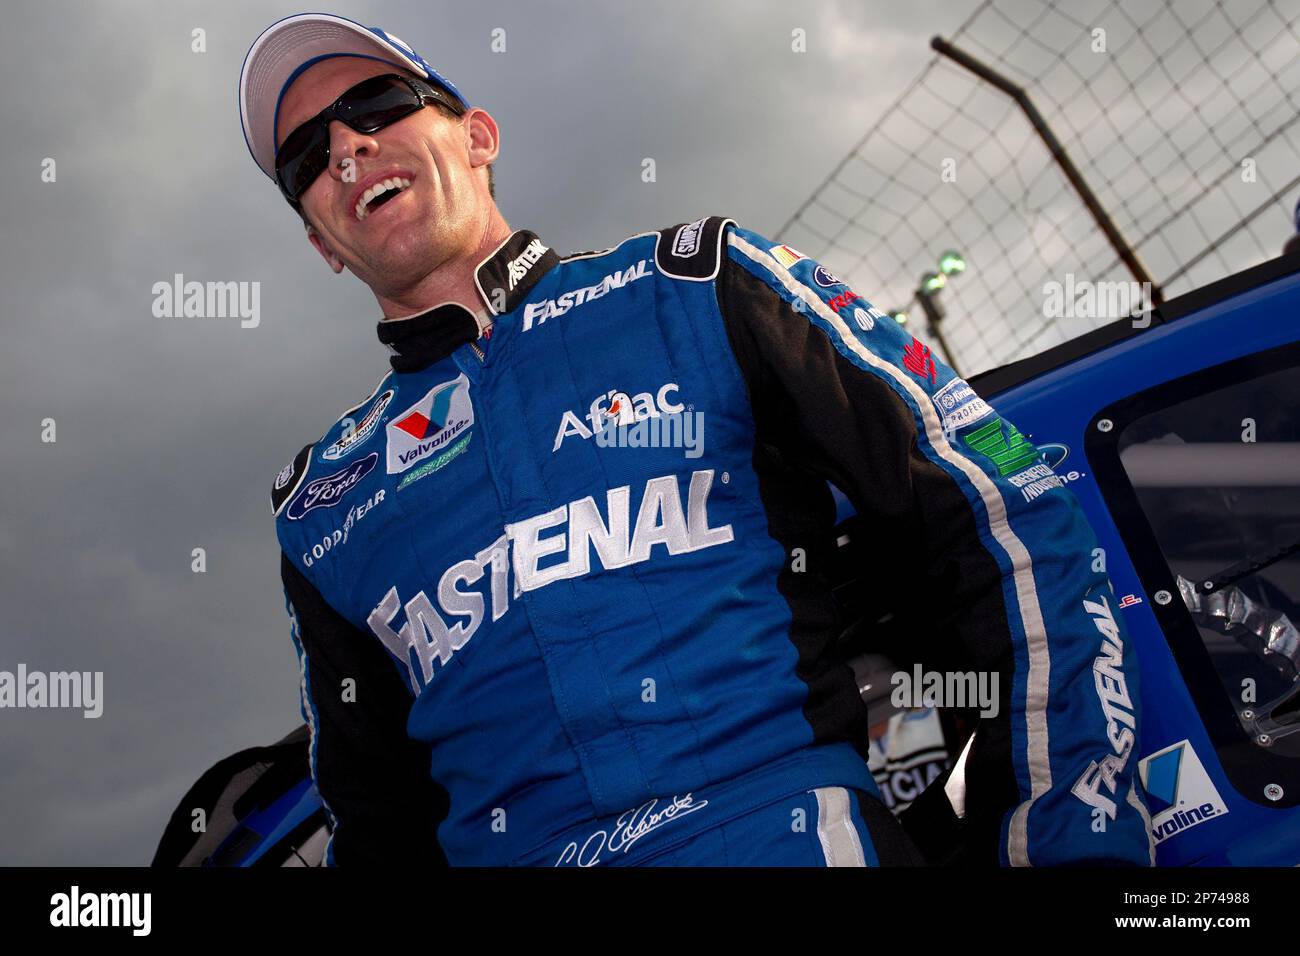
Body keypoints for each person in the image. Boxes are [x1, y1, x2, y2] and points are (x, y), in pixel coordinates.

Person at [239, 13, 1154, 867]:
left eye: (378, 106)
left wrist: (1066, 832)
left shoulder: (698, 285)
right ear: (322, 241)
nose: (349, 148)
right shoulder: (326, 503)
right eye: (308, 159)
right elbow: (380, 824)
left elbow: (1000, 511)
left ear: (477, 137)